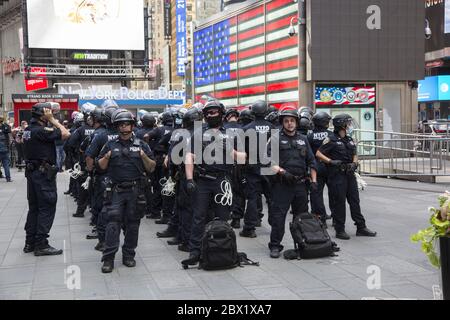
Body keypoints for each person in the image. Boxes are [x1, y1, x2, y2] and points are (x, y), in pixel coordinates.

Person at [181, 101, 247, 266]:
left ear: (221, 113)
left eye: (214, 112)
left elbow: (243, 158)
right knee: (198, 217)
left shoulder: (232, 134)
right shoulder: (198, 133)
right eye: (208, 113)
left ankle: (223, 250)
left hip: (223, 180)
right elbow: (189, 156)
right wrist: (189, 179)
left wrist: (230, 150)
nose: (211, 115)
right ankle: (195, 252)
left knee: (223, 217)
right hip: (202, 180)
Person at [97, 109, 156, 273]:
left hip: (135, 191)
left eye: (127, 124)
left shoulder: (142, 145)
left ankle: (129, 255)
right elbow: (100, 166)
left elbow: (151, 167)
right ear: (117, 127)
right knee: (112, 224)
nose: (124, 128)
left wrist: (143, 155)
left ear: (132, 126)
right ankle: (108, 258)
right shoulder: (109, 144)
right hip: (115, 191)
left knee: (133, 225)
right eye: (121, 125)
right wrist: (107, 156)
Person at [316, 114, 377, 240]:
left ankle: (361, 227)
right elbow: (319, 153)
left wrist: (355, 163)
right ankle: (340, 229)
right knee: (339, 203)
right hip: (337, 175)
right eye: (348, 124)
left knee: (355, 201)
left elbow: (354, 153)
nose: (349, 126)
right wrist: (330, 162)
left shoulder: (349, 139)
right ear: (341, 125)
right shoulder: (331, 139)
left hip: (350, 175)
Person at [266, 108, 318, 258]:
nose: (289, 124)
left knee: (301, 217)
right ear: (282, 122)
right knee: (278, 217)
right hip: (282, 184)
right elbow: (268, 160)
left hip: (301, 185)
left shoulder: (303, 139)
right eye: (286, 121)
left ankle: (303, 243)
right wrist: (282, 172)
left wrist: (314, 181)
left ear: (296, 122)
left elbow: (312, 161)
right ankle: (275, 246)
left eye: (292, 121)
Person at [23, 102, 70, 255]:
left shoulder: (28, 130)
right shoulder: (41, 130)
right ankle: (41, 244)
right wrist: (53, 121)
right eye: (49, 112)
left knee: (34, 208)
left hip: (32, 173)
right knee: (47, 207)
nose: (53, 114)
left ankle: (30, 242)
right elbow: (65, 133)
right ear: (43, 115)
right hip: (43, 174)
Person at [240, 100, 275, 237]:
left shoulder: (246, 129)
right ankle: (275, 224)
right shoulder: (273, 128)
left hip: (252, 167)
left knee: (253, 198)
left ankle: (249, 228)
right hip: (269, 167)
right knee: (271, 198)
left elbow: (241, 151)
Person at [308, 111, 333, 225]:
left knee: (316, 194)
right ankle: (336, 218)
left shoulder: (310, 136)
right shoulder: (331, 135)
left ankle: (320, 216)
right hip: (330, 166)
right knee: (334, 193)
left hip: (316, 168)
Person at [0, 115, 12, 182]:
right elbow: (9, 130)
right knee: (6, 164)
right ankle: (8, 178)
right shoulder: (5, 126)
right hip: (5, 149)